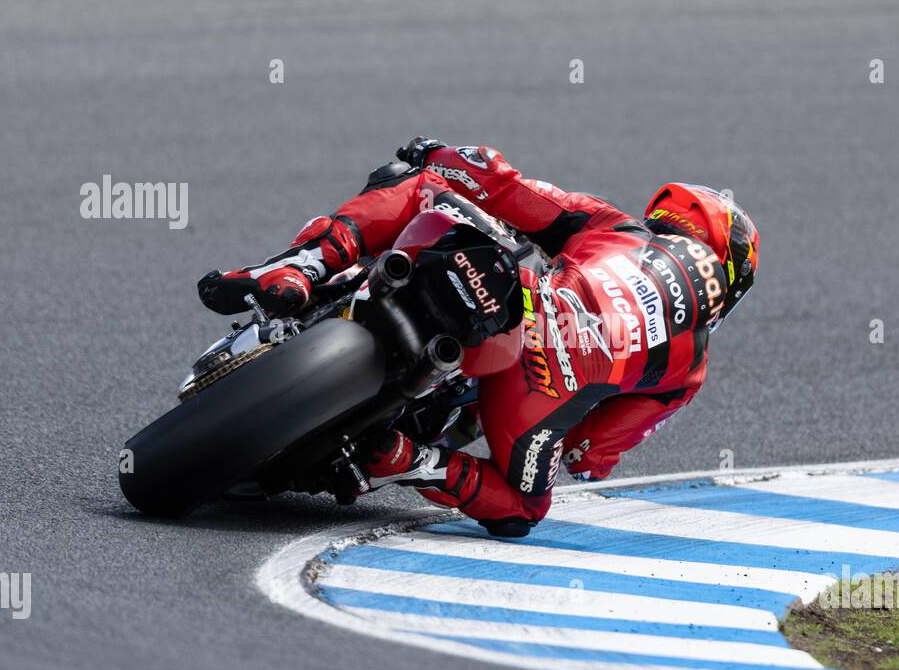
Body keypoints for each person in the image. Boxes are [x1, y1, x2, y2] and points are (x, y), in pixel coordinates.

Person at [198, 138, 758, 536]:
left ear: (675, 220)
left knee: (423, 184)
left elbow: (505, 188)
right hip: (539, 384)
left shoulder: (618, 228)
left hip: (528, 293)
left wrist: (435, 155)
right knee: (521, 510)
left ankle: (303, 267)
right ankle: (406, 458)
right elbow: (589, 459)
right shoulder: (689, 369)